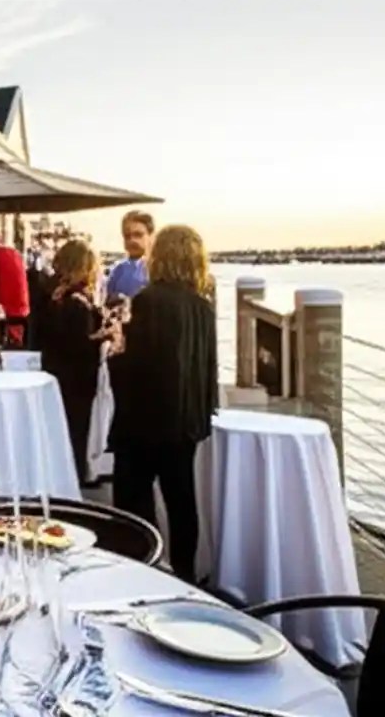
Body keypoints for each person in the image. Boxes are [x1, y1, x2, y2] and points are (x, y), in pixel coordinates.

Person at [108, 225, 219, 584]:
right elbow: (207, 366)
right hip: (186, 420)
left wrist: (114, 353)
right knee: (181, 500)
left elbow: (139, 365)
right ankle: (184, 573)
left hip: (146, 420)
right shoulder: (203, 307)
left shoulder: (149, 301)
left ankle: (144, 569)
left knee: (134, 500)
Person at [39, 241, 111, 487]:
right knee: (78, 428)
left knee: (68, 427)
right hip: (78, 377)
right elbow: (79, 343)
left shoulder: (56, 295)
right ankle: (77, 475)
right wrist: (103, 335)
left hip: (60, 372)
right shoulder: (76, 302)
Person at [106, 210, 154, 302]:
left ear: (151, 236)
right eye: (127, 236)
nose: (132, 240)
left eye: (138, 235)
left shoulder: (159, 271)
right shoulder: (117, 271)